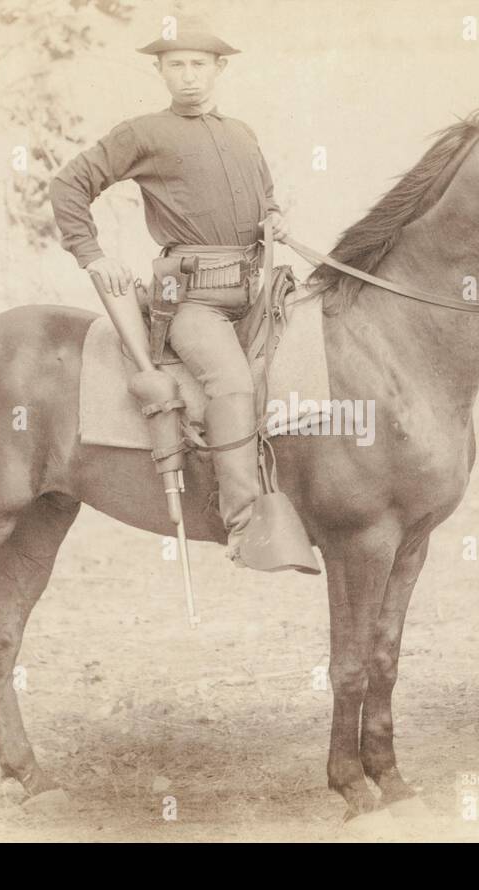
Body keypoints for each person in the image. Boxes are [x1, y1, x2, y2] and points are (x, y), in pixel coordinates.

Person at [49, 18, 300, 569]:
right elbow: (68, 184)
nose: (188, 77)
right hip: (193, 304)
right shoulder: (142, 133)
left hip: (256, 295)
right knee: (231, 383)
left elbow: (265, 199)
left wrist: (275, 218)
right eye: (176, 65)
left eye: (199, 65)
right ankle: (244, 525)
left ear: (219, 69)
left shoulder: (242, 133)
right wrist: (92, 254)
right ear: (160, 71)